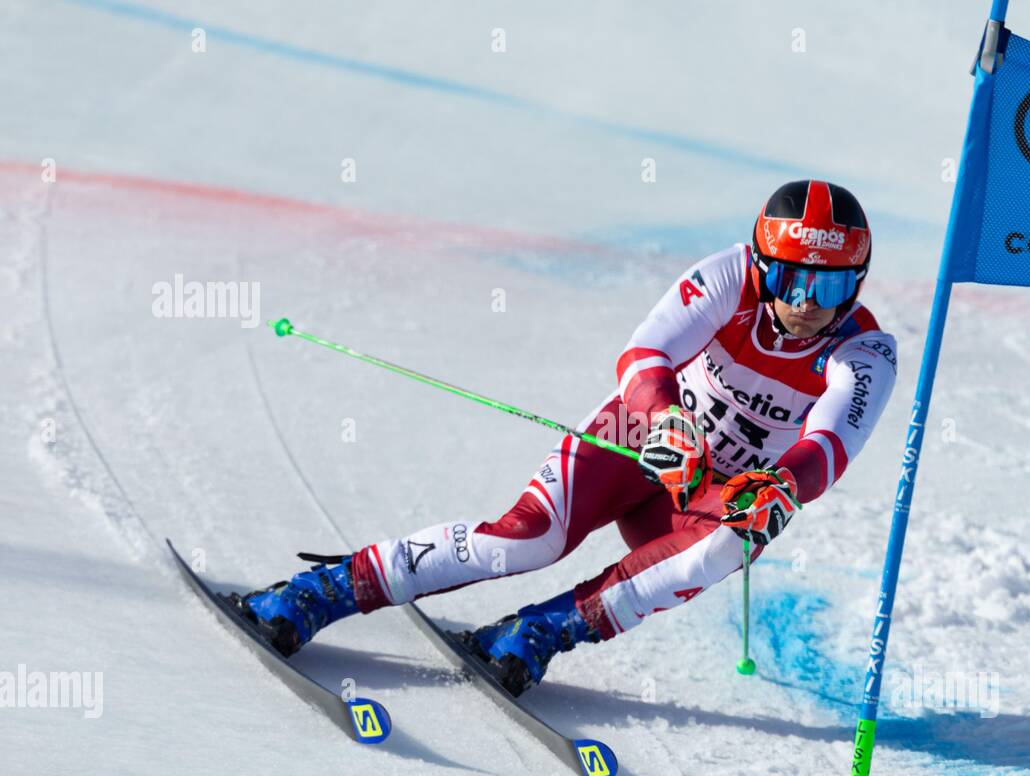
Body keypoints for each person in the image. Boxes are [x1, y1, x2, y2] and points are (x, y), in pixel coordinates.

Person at [237, 179, 898, 697]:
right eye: (792, 277)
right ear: (762, 264)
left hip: (710, 495)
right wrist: (668, 421)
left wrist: (783, 485)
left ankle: (541, 629)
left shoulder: (865, 351)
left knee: (734, 538)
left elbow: (830, 447)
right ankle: (324, 589)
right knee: (529, 538)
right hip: (643, 439)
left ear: (856, 285)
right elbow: (643, 356)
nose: (808, 302)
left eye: (830, 284)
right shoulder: (728, 278)